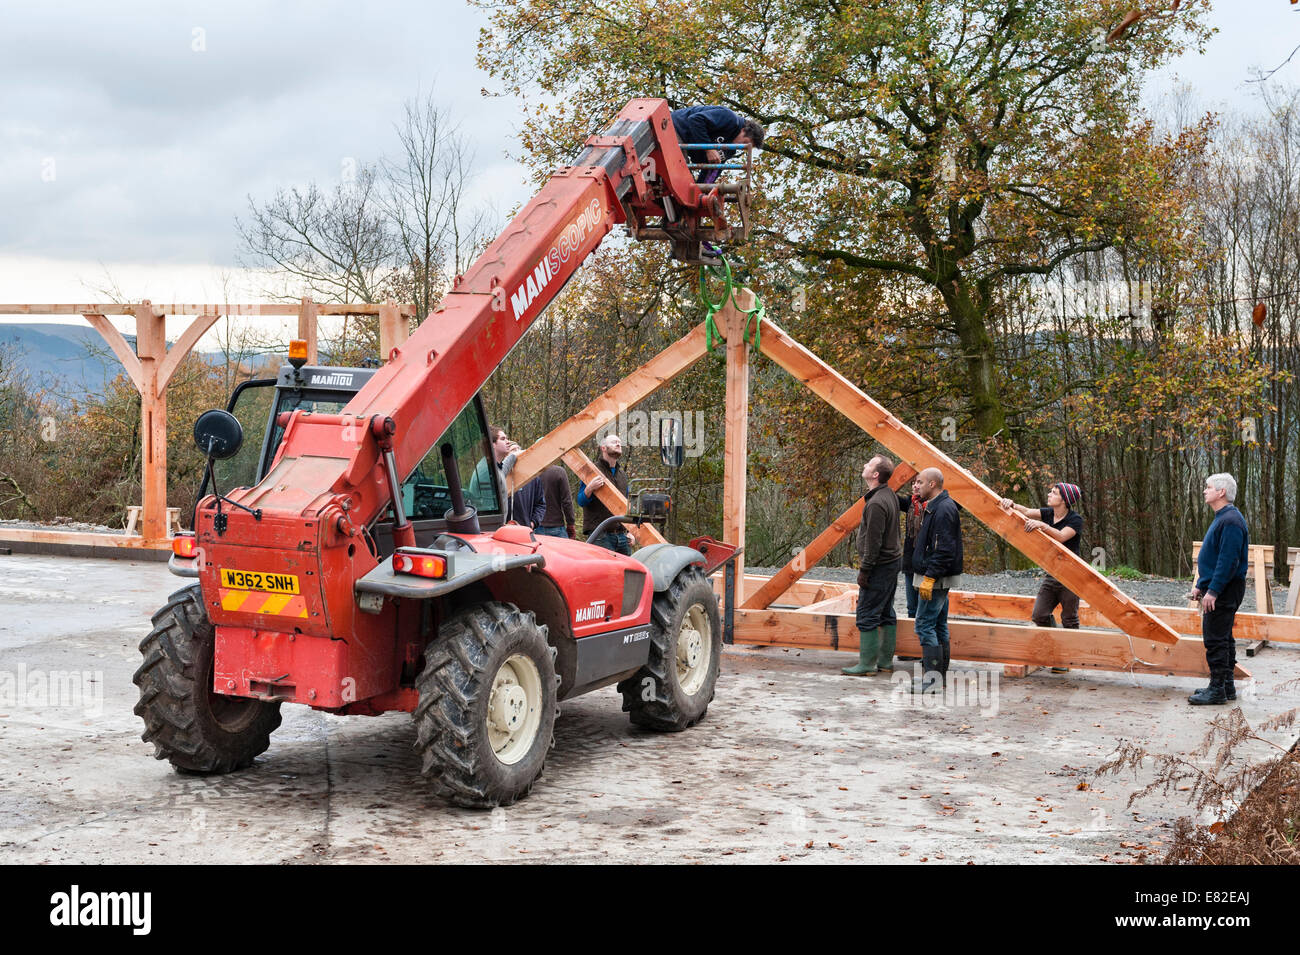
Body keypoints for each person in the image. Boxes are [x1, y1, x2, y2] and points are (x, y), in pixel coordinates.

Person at [999, 483, 1085, 666]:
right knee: (1039, 615)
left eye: (1054, 493)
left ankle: (1066, 660)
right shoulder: (1048, 513)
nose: (1049, 494)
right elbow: (1028, 511)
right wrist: (1012, 504)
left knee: (1069, 619)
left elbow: (1061, 536)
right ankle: (1054, 646)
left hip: (1072, 576)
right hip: (1052, 573)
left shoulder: (1075, 519)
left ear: (1065, 500)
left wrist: (1041, 526)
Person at [1187, 473, 1249, 706]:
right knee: (1223, 637)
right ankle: (1226, 686)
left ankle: (1216, 690)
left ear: (1221, 492)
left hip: (1225, 590)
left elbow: (1228, 561)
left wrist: (1213, 591)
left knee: (1215, 639)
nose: (1205, 491)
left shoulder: (1231, 520)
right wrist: (1201, 587)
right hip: (1220, 587)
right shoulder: (1224, 517)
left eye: (1208, 487)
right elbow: (1213, 559)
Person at [843, 455, 903, 676]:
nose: (864, 465)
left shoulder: (877, 503)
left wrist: (865, 570)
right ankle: (885, 663)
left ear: (875, 474)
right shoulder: (889, 495)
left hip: (880, 566)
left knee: (867, 614)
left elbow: (873, 542)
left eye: (868, 464)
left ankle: (867, 665)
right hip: (892, 562)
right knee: (886, 611)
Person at [911, 468, 963, 692]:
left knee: (924, 624)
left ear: (932, 484)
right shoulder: (937, 506)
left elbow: (944, 550)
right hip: (938, 575)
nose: (917, 486)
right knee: (938, 624)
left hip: (937, 577)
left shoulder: (943, 509)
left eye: (920, 482)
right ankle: (937, 679)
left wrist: (929, 577)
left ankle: (932, 681)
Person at [471, 426, 544, 528]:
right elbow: (489, 512)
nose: (508, 442)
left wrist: (518, 454)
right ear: (492, 445)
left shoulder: (495, 467)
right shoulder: (486, 472)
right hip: (490, 531)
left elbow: (505, 466)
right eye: (503, 439)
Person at [670, 106, 766, 182]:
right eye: (744, 142)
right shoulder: (729, 118)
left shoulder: (729, 150)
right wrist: (709, 149)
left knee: (687, 182)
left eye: (743, 148)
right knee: (680, 172)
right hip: (675, 127)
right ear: (743, 130)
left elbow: (714, 169)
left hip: (685, 144)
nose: (740, 147)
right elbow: (695, 120)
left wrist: (702, 190)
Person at [577, 433, 631, 554]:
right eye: (613, 442)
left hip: (622, 537)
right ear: (603, 448)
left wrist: (630, 532)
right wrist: (589, 489)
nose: (618, 444)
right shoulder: (592, 471)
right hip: (600, 535)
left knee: (626, 572)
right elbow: (580, 501)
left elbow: (627, 506)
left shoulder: (622, 475)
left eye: (619, 442)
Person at [899, 471, 928, 618]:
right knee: (912, 608)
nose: (915, 486)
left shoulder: (938, 504)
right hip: (910, 563)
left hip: (929, 565)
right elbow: (883, 496)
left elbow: (960, 502)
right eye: (913, 483)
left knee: (928, 610)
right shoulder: (910, 503)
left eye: (919, 483)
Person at [535, 464, 576, 540]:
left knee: (539, 552)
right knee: (563, 551)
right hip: (556, 526)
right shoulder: (559, 472)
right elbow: (567, 501)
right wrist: (571, 523)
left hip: (536, 526)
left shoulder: (531, 473)